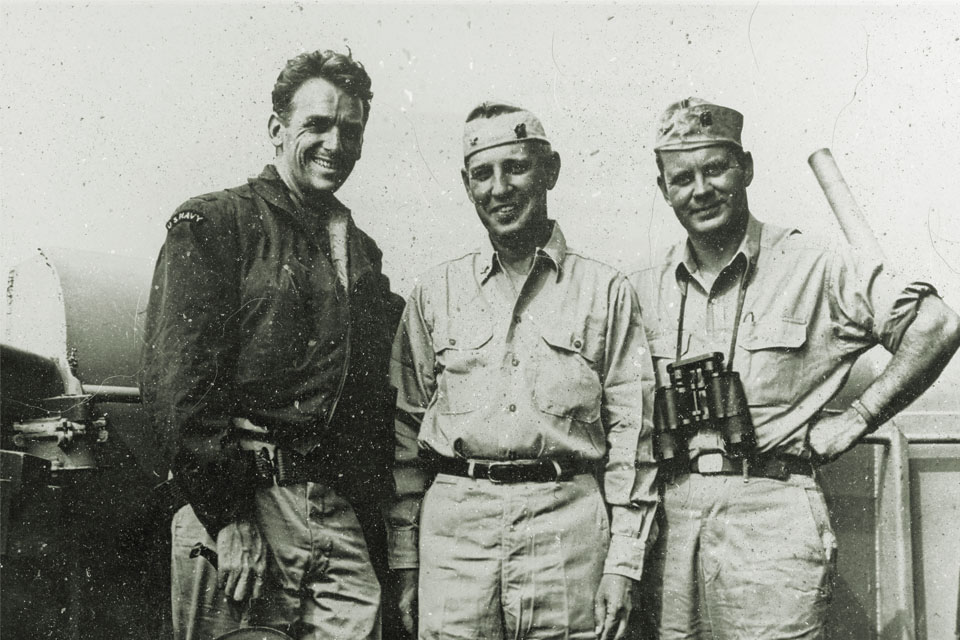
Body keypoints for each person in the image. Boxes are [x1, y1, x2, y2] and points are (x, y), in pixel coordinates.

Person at [630, 97, 960, 639]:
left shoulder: (816, 264)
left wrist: (857, 417)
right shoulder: (645, 285)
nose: (701, 190)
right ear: (663, 189)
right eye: (682, 177)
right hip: (673, 526)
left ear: (747, 168)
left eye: (716, 168)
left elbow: (937, 326)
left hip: (772, 518)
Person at [140, 49, 402, 640]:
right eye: (317, 124)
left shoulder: (360, 252)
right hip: (238, 507)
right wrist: (227, 519)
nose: (336, 143)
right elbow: (177, 386)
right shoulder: (212, 223)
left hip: (333, 512)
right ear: (277, 130)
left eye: (350, 129)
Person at [386, 102, 659, 640]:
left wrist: (623, 565)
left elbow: (634, 440)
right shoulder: (434, 294)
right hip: (456, 540)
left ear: (550, 170)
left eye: (516, 167)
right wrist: (406, 561)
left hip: (568, 535)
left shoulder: (605, 292)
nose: (499, 188)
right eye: (482, 174)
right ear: (467, 186)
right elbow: (402, 436)